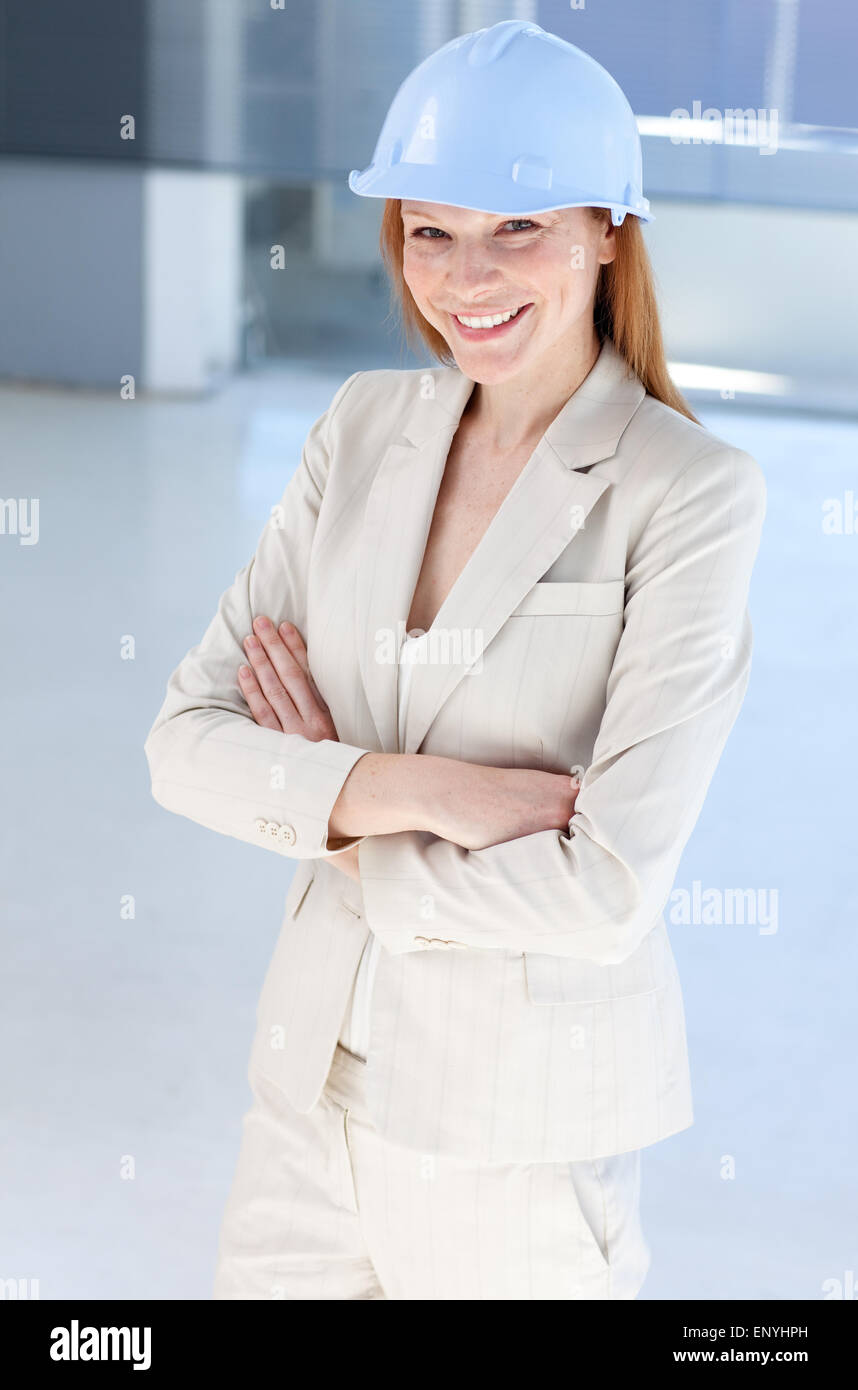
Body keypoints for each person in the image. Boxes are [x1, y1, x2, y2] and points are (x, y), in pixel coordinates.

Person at [144, 20, 767, 1300]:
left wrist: (322, 797)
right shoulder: (363, 427)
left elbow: (605, 889)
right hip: (306, 1103)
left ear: (607, 230)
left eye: (517, 229)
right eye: (433, 230)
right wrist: (422, 790)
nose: (466, 277)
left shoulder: (689, 493)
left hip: (516, 1143)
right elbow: (183, 744)